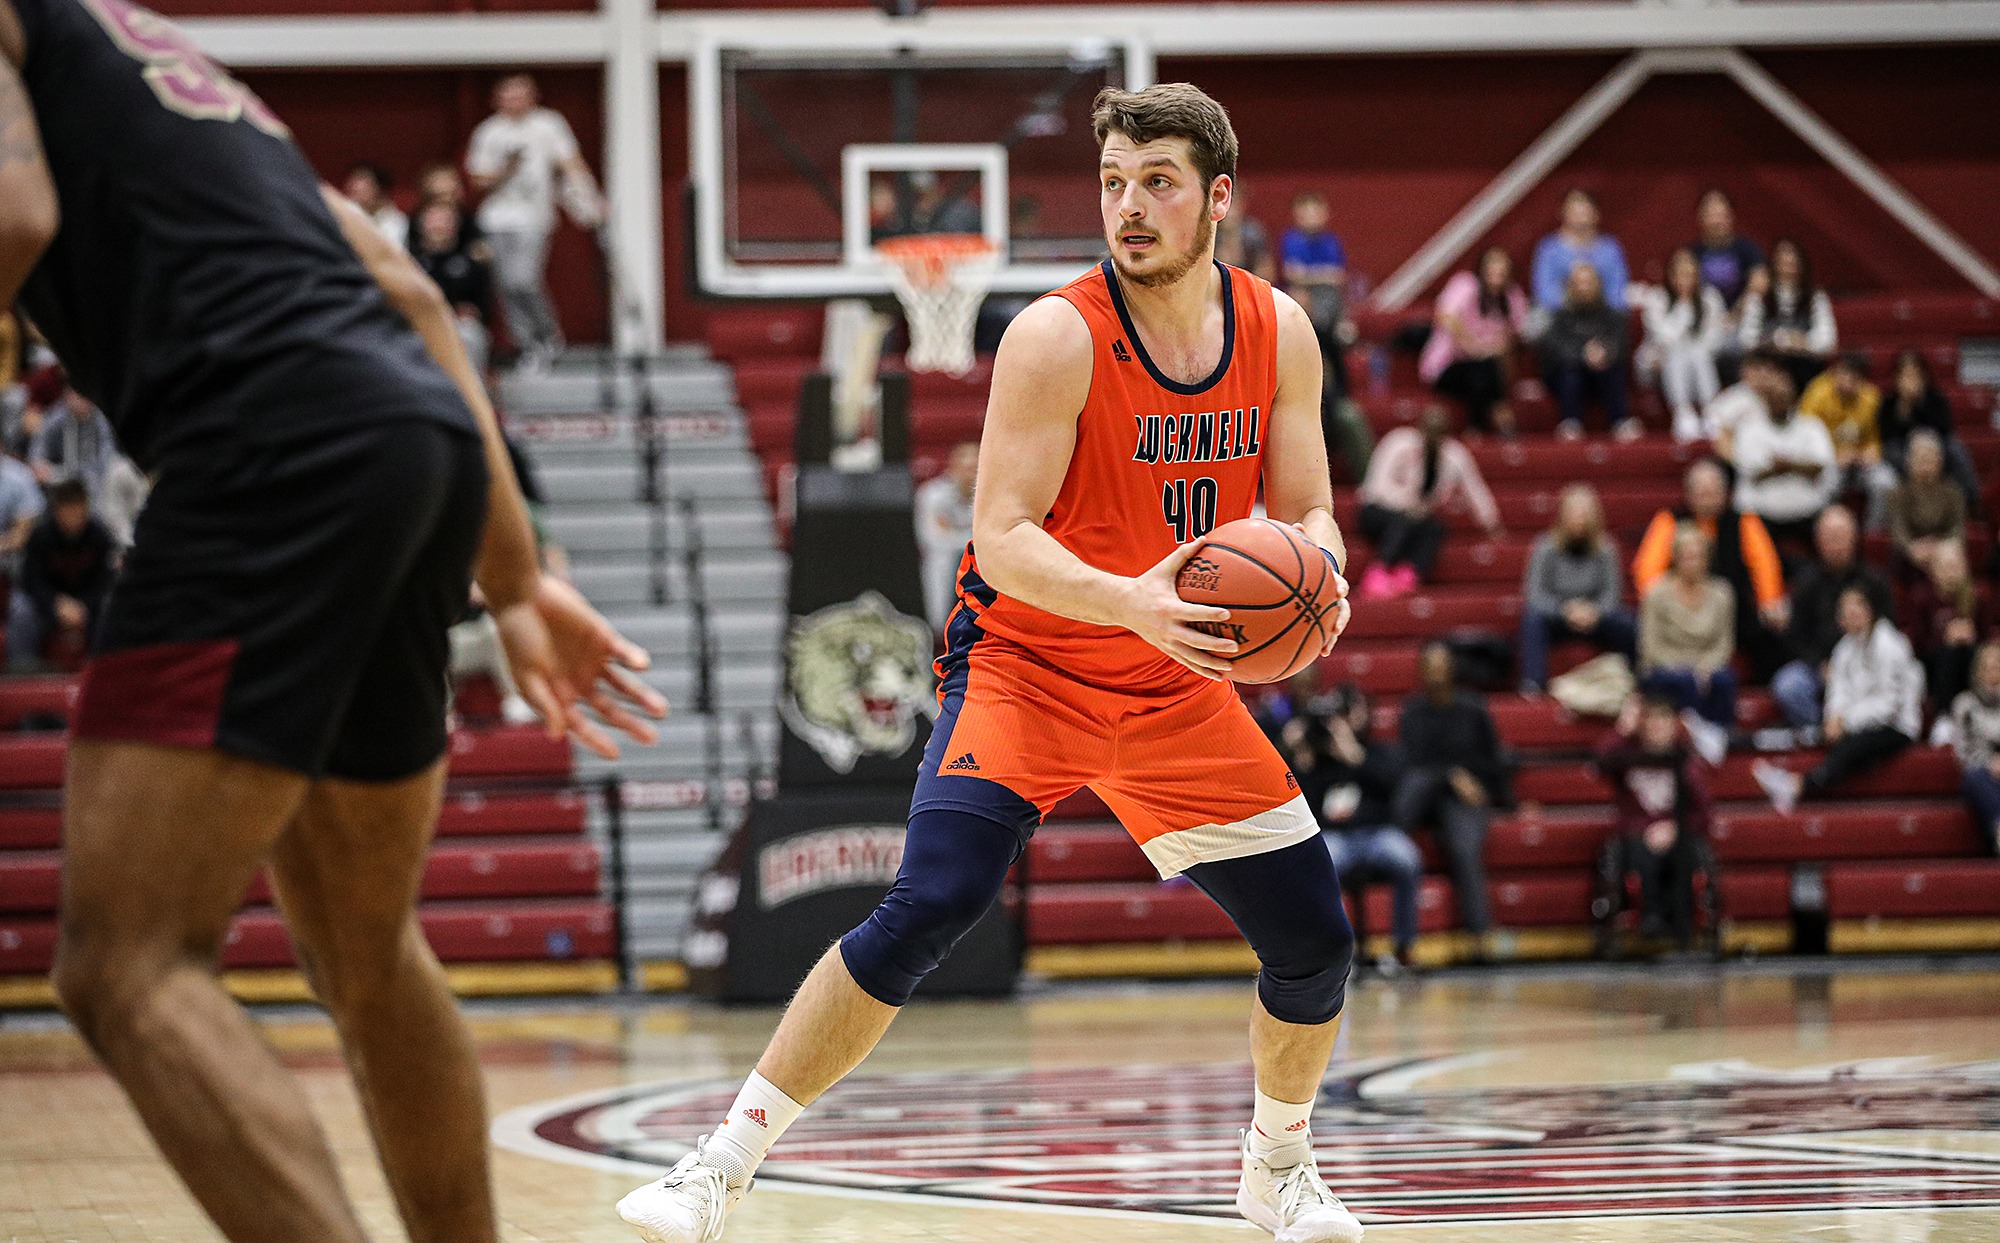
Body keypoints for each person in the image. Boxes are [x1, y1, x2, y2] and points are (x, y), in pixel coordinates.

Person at [616, 82, 1364, 1243]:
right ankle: (715, 1166)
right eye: (1113, 182)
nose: (1128, 206)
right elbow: (1002, 541)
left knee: (1315, 939)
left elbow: (1307, 508)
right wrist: (1130, 601)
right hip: (1030, 667)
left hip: (1174, 687)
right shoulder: (1056, 334)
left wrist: (1320, 575)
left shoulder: (1280, 331)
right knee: (931, 903)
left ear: (1217, 198)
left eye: (1157, 182)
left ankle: (1277, 1166)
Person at [1, 6, 662, 1242]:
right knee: (364, 950)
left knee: (123, 964)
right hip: (411, 444)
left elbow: (14, 219)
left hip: (267, 444)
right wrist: (513, 583)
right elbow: (404, 285)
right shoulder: (143, 61)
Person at [466, 72, 604, 371]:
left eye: (521, 94)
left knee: (524, 279)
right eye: (509, 95)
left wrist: (589, 197)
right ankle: (527, 344)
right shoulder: (489, 132)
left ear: (533, 96)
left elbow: (570, 162)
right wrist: (507, 170)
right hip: (497, 219)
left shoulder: (548, 124)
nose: (515, 101)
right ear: (498, 99)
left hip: (534, 216)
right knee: (506, 286)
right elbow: (478, 177)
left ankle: (547, 333)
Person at [1754, 588, 1924, 813]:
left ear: (1871, 610)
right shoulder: (1844, 647)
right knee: (1812, 733)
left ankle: (1799, 785)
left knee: (1853, 746)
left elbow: (1890, 704)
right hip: (1854, 722)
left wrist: (1845, 721)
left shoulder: (1890, 645)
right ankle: (1735, 741)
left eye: (1858, 606)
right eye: (1846, 608)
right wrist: (1834, 716)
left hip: (1896, 725)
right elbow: (1838, 690)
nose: (1852, 613)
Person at [1298, 686, 1421, 972]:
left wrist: (1354, 755)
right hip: (1335, 837)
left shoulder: (1378, 752)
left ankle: (1404, 947)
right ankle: (1334, 954)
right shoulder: (1317, 760)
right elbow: (1299, 806)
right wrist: (1303, 758)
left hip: (1377, 833)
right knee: (1319, 865)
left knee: (1407, 858)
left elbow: (1393, 786)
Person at [1632, 457, 1790, 679]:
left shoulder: (1744, 522)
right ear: (1689, 494)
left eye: (1713, 492)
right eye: (1701, 493)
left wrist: (1770, 599)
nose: (1708, 499)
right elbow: (1647, 572)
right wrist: (1664, 603)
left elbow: (1765, 564)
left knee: (1772, 639)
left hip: (1732, 611)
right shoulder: (1669, 521)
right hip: (1679, 612)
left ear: (1726, 493)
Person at [1393, 642, 1504, 954]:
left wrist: (1497, 793)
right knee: (1409, 796)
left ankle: (1479, 936)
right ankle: (1395, 935)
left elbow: (1492, 759)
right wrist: (1450, 774)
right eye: (1430, 665)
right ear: (1421, 671)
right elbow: (1410, 764)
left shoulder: (1473, 708)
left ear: (1453, 668)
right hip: (1424, 794)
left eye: (1442, 664)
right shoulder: (1412, 711)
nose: (1437, 671)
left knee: (1464, 848)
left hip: (1461, 799)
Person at [1596, 692, 1714, 947]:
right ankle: (1650, 919)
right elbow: (1601, 762)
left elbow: (1704, 813)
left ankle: (1682, 922)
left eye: (1664, 720)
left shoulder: (1684, 761)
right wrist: (1622, 728)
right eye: (1652, 720)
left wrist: (1674, 828)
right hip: (1637, 836)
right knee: (1638, 850)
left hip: (1677, 835)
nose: (1658, 727)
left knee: (1686, 851)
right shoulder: (1626, 756)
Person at [1355, 403, 1503, 598]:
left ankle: (1410, 573)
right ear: (1420, 429)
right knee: (1403, 522)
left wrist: (1491, 523)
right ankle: (1379, 570)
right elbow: (1376, 487)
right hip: (1377, 510)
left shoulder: (1454, 456)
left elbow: (1475, 490)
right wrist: (1410, 506)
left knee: (1436, 528)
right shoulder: (1398, 443)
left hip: (1417, 517)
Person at [1769, 504, 1894, 735]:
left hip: (1865, 662)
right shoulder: (1806, 582)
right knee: (1788, 685)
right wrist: (1819, 664)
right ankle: (1821, 731)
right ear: (1818, 541)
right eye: (1829, 538)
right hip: (1819, 664)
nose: (1835, 545)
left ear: (1854, 539)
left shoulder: (1873, 581)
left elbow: (1886, 631)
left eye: (1841, 537)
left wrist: (1854, 663)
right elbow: (1795, 636)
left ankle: (1854, 731)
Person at [1519, 483, 1634, 692]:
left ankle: (1636, 683)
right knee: (1532, 619)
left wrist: (1594, 611)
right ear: (1562, 516)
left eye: (1584, 514)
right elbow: (1534, 594)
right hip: (1559, 618)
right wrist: (1565, 610)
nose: (1579, 520)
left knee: (1628, 623)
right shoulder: (1545, 547)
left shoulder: (1606, 548)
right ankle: (1533, 686)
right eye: (1574, 513)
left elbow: (1612, 593)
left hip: (1595, 618)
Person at [1638, 528, 1737, 762]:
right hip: (1665, 667)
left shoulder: (1722, 593)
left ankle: (1719, 737)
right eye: (1686, 556)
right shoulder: (1656, 593)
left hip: (1707, 667)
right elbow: (1650, 646)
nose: (1692, 562)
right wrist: (1687, 668)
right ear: (1675, 558)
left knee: (1725, 679)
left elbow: (1724, 643)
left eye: (1698, 556)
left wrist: (1705, 667)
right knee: (1685, 681)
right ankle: (1693, 738)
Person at [1421, 245, 1528, 436]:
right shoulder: (1465, 285)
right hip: (1448, 365)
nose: (1497, 272)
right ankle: (1498, 415)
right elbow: (1445, 316)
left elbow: (1517, 336)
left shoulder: (1512, 297)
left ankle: (1477, 428)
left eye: (1502, 268)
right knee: (1482, 371)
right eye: (1493, 265)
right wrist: (1473, 345)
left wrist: (1494, 349)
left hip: (1489, 368)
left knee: (1485, 370)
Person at [15, 477, 113, 670]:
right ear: (57, 510)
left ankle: (103, 668)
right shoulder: (41, 536)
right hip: (50, 602)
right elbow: (31, 580)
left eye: (78, 509)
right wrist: (56, 603)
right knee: (20, 610)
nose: (73, 516)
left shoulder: (99, 535)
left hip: (87, 603)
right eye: (67, 510)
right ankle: (23, 671)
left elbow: (105, 581)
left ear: (86, 506)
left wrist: (83, 605)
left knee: (111, 606)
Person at [1729, 370, 1837, 545]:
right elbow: (1753, 472)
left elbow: (1819, 466)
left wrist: (1782, 466)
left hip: (1808, 511)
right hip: (1760, 513)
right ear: (1765, 400)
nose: (1778, 402)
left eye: (1783, 397)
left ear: (1794, 398)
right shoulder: (1748, 428)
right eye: (1773, 397)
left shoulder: (1811, 426)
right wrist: (1797, 465)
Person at [1639, 247, 1729, 441]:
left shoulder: (1709, 297)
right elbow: (1662, 337)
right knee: (1678, 354)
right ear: (1670, 275)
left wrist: (1694, 347)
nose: (1685, 280)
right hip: (1659, 357)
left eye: (1690, 275)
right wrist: (1684, 306)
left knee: (1697, 352)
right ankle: (1683, 412)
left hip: (1701, 359)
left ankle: (1710, 410)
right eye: (1680, 274)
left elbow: (1715, 336)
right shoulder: (1657, 297)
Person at [1798, 353, 1896, 529]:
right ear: (1836, 372)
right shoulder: (1817, 393)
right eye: (1844, 374)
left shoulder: (1871, 397)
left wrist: (1871, 452)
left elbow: (1875, 439)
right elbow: (1804, 436)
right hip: (1827, 461)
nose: (1848, 381)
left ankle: (1873, 531)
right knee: (1828, 483)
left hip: (1859, 462)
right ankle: (1824, 529)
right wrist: (1833, 456)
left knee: (1886, 482)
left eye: (1855, 378)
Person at [1540, 262, 1635, 440]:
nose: (1584, 288)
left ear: (1598, 284)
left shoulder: (1613, 316)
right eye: (1579, 283)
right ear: (1570, 286)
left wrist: (1604, 352)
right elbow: (1554, 348)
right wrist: (1584, 355)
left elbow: (1621, 345)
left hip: (1603, 374)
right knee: (1569, 373)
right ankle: (1570, 422)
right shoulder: (1560, 317)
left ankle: (1620, 421)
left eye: (1588, 282)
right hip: (1571, 376)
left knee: (1613, 370)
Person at [1902, 539, 1993, 719]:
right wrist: (1944, 639)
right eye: (1946, 567)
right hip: (1935, 664)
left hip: (1969, 659)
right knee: (1949, 653)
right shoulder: (1921, 598)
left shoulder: (1978, 596)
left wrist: (1972, 637)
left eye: (1956, 566)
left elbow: (1988, 641)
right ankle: (1944, 715)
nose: (1952, 573)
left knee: (1968, 652)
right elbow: (1916, 646)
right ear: (1933, 571)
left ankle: (1981, 709)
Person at [1880, 349, 1980, 509]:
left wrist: (1918, 404)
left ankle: (1972, 501)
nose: (1911, 380)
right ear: (1897, 378)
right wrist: (1904, 406)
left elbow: (1944, 428)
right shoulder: (1889, 402)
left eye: (1915, 375)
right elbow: (1887, 435)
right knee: (1891, 453)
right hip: (1903, 445)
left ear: (1924, 377)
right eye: (1906, 375)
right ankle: (1918, 498)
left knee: (1956, 449)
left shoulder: (1936, 398)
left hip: (1935, 443)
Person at [1738, 237, 1836, 395]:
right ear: (1774, 265)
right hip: (1768, 365)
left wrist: (1803, 343)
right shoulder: (1761, 297)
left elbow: (1827, 341)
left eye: (1792, 263)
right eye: (1783, 263)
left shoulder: (1815, 297)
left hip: (1803, 365)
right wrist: (1773, 340)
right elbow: (1746, 338)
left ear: (1802, 266)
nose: (1787, 268)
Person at [411, 197, 496, 377]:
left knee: (469, 333)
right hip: (420, 324)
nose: (438, 226)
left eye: (445, 220)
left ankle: (470, 399)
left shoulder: (473, 260)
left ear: (456, 225)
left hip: (460, 325)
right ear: (421, 224)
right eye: (433, 219)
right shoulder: (408, 262)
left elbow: (484, 307)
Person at [1281, 190, 1352, 399]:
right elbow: (1293, 274)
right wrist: (1324, 275)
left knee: (1339, 337)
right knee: (1301, 298)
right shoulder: (1291, 240)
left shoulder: (1331, 241)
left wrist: (1311, 275)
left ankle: (1339, 393)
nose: (1312, 216)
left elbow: (1339, 278)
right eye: (1306, 212)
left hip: (1330, 307)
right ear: (1297, 214)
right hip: (1305, 306)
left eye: (1316, 211)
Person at [1531, 187, 1628, 313]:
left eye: (1584, 212)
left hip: (1602, 314)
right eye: (1574, 212)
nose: (1580, 218)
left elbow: (1617, 291)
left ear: (1596, 214)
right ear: (1562, 213)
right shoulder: (1549, 249)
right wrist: (1574, 305)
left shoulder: (1610, 248)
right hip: (1559, 315)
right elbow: (1544, 291)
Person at [1885, 429, 1967, 577]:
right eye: (1920, 458)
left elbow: (1957, 527)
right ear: (1909, 462)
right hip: (1909, 556)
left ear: (1939, 460)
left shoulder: (1952, 492)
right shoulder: (1898, 493)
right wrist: (1912, 548)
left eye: (1929, 458)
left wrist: (1942, 547)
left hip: (1945, 554)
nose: (1925, 464)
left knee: (1952, 564)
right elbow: (1898, 527)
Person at [914, 441, 977, 633]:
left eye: (976, 468)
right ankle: (940, 629)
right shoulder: (931, 494)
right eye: (965, 468)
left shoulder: (993, 495)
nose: (970, 474)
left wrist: (956, 534)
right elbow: (931, 538)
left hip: (981, 562)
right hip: (945, 562)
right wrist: (970, 539)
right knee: (943, 560)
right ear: (952, 468)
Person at [1951, 642, 2000, 856]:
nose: (1992, 673)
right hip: (1983, 773)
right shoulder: (1965, 704)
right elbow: (1963, 752)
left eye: (1997, 667)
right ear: (1977, 672)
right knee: (1975, 778)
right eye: (1986, 668)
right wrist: (1991, 764)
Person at [1689, 189, 1765, 322]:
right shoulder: (1692, 254)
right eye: (1711, 215)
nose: (1716, 222)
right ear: (1700, 219)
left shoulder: (1746, 248)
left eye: (1721, 215)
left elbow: (1760, 281)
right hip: (1704, 321)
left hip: (1740, 320)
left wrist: (1735, 313)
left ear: (1730, 217)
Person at [28, 384, 115, 499]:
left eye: (84, 396)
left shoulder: (102, 422)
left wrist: (58, 474)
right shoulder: (57, 417)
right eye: (75, 395)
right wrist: (39, 465)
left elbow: (104, 462)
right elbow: (38, 447)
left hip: (94, 482)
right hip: (59, 483)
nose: (79, 401)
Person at [1702, 346, 1790, 457]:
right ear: (1744, 371)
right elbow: (1716, 437)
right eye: (1757, 369)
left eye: (1769, 369)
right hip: (1742, 459)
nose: (1763, 374)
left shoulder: (1784, 400)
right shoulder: (1730, 400)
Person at [0, 441, 41, 668]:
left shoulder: (19, 477)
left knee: (22, 610)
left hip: (13, 569)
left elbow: (25, 532)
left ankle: (19, 669)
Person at [1213, 181, 1274, 282]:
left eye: (1235, 203)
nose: (1230, 210)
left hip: (1248, 284)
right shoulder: (1211, 232)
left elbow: (1267, 272)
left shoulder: (1254, 233)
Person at [340, 162, 406, 251]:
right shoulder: (340, 213)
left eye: (364, 188)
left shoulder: (397, 221)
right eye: (353, 190)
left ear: (380, 190)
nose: (354, 186)